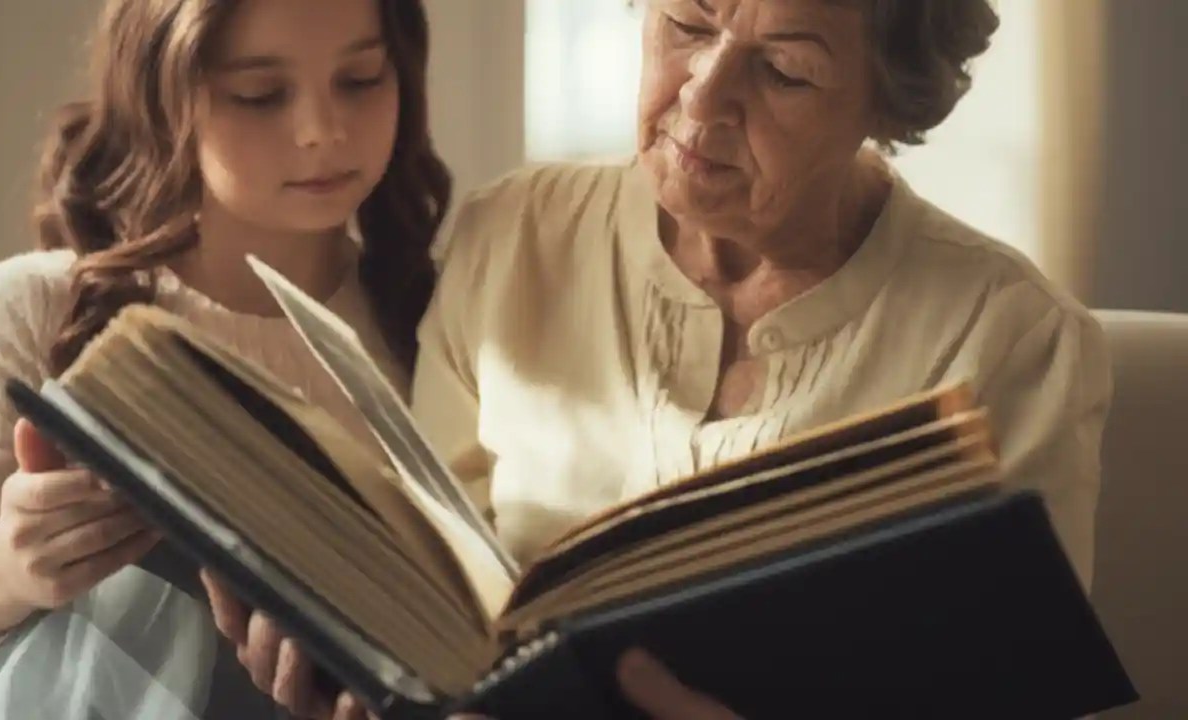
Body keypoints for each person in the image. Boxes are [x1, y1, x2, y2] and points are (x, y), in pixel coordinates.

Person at [218, 0, 1114, 717]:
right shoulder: (514, 237)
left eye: (784, 69)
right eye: (686, 24)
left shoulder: (1010, 339)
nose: (703, 95)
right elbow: (435, 597)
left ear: (888, 101)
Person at [0, 0, 449, 716]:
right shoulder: (34, 309)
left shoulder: (435, 321)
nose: (323, 131)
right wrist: (9, 565)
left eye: (360, 79)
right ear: (161, 94)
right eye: (259, 94)